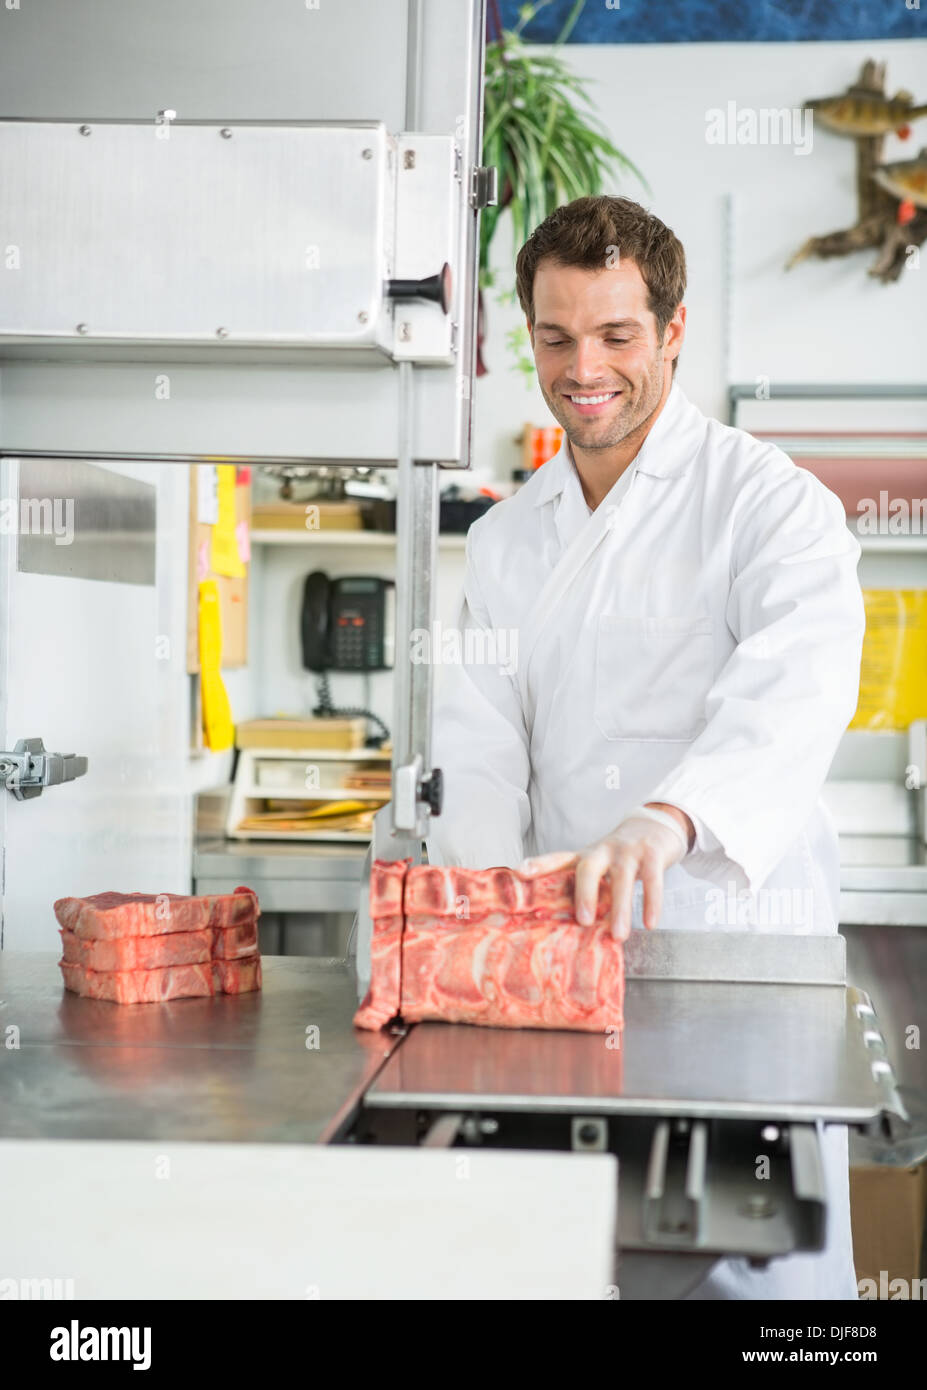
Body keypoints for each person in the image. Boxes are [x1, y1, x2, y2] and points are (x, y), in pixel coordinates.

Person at [425, 195, 865, 1300]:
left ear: (672, 331)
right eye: (558, 336)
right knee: (578, 1265)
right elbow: (479, 750)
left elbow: (798, 691)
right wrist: (481, 917)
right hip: (565, 969)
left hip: (734, 959)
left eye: (617, 335)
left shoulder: (772, 507)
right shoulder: (504, 539)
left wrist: (664, 818)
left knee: (752, 1277)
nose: (586, 368)